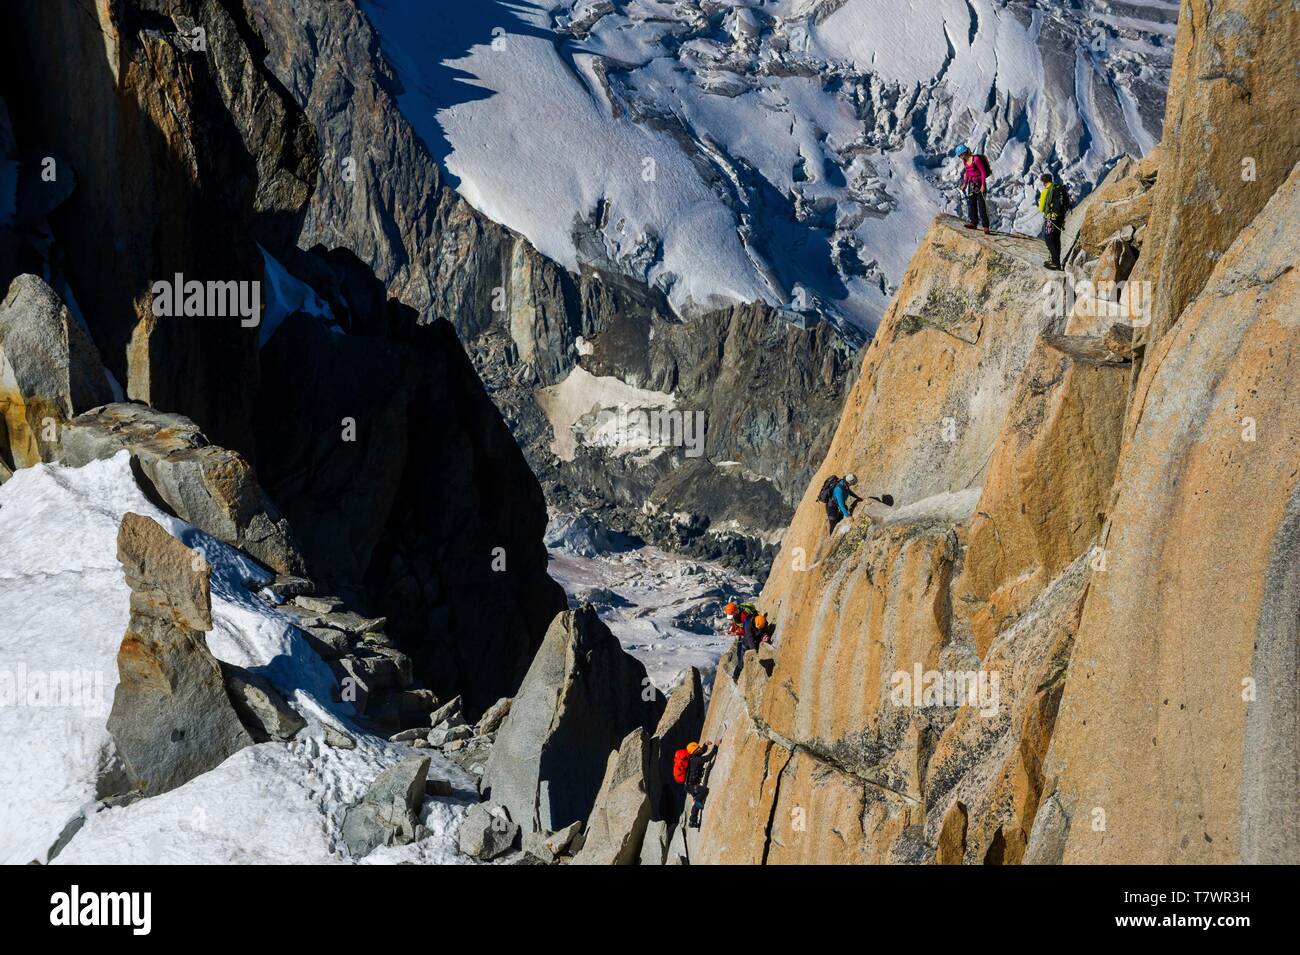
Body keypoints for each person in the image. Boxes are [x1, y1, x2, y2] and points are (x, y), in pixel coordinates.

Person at [1038, 172, 1071, 270]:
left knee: (1049, 239)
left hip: (1051, 219)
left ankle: (1055, 262)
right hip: (1060, 218)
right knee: (1056, 239)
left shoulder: (1046, 191)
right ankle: (1057, 261)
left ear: (1044, 182)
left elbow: (1041, 208)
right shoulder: (1058, 187)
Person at [955, 145, 992, 234]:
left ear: (964, 153)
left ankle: (986, 226)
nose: (960, 157)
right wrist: (965, 183)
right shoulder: (965, 161)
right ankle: (973, 223)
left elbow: (983, 172)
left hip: (979, 184)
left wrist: (983, 185)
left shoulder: (976, 159)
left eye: (960, 155)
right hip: (972, 184)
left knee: (981, 205)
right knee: (972, 204)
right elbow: (968, 173)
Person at [684, 740, 718, 828]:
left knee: (699, 797)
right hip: (691, 786)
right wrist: (716, 746)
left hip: (689, 786)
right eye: (698, 747)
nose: (700, 748)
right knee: (703, 791)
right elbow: (708, 758)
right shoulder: (696, 760)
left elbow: (702, 751)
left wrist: (705, 745)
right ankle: (696, 804)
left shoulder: (694, 757)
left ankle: (693, 821)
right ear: (695, 751)